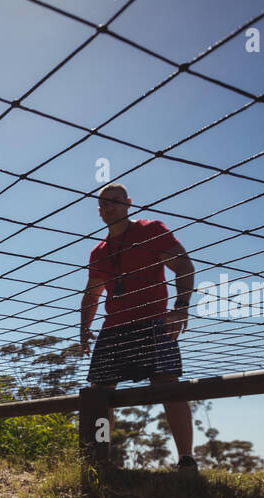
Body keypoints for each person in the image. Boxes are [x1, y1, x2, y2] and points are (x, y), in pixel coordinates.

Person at [80, 182, 197, 470]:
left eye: (115, 201)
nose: (109, 207)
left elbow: (184, 266)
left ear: (128, 203)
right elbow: (92, 293)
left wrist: (180, 308)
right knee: (99, 393)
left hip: (153, 321)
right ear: (99, 211)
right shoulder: (98, 252)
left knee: (168, 385)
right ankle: (100, 460)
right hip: (113, 328)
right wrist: (84, 329)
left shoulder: (150, 230)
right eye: (103, 203)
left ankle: (186, 459)